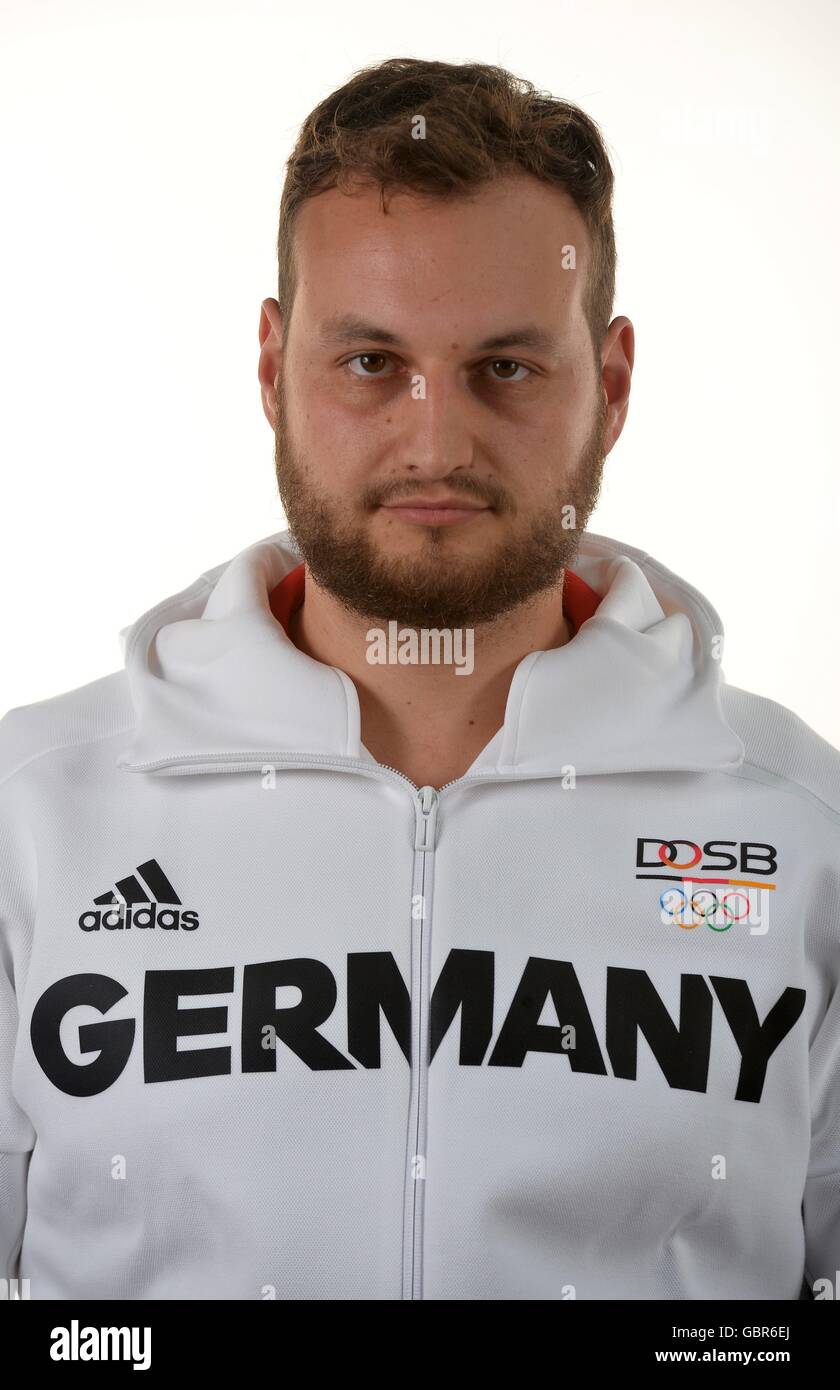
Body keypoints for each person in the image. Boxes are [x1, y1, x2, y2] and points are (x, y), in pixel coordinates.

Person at [1, 56, 838, 1302]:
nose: (434, 442)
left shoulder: (805, 831)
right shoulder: (29, 819)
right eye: (370, 363)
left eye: (505, 368)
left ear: (609, 387)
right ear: (274, 364)